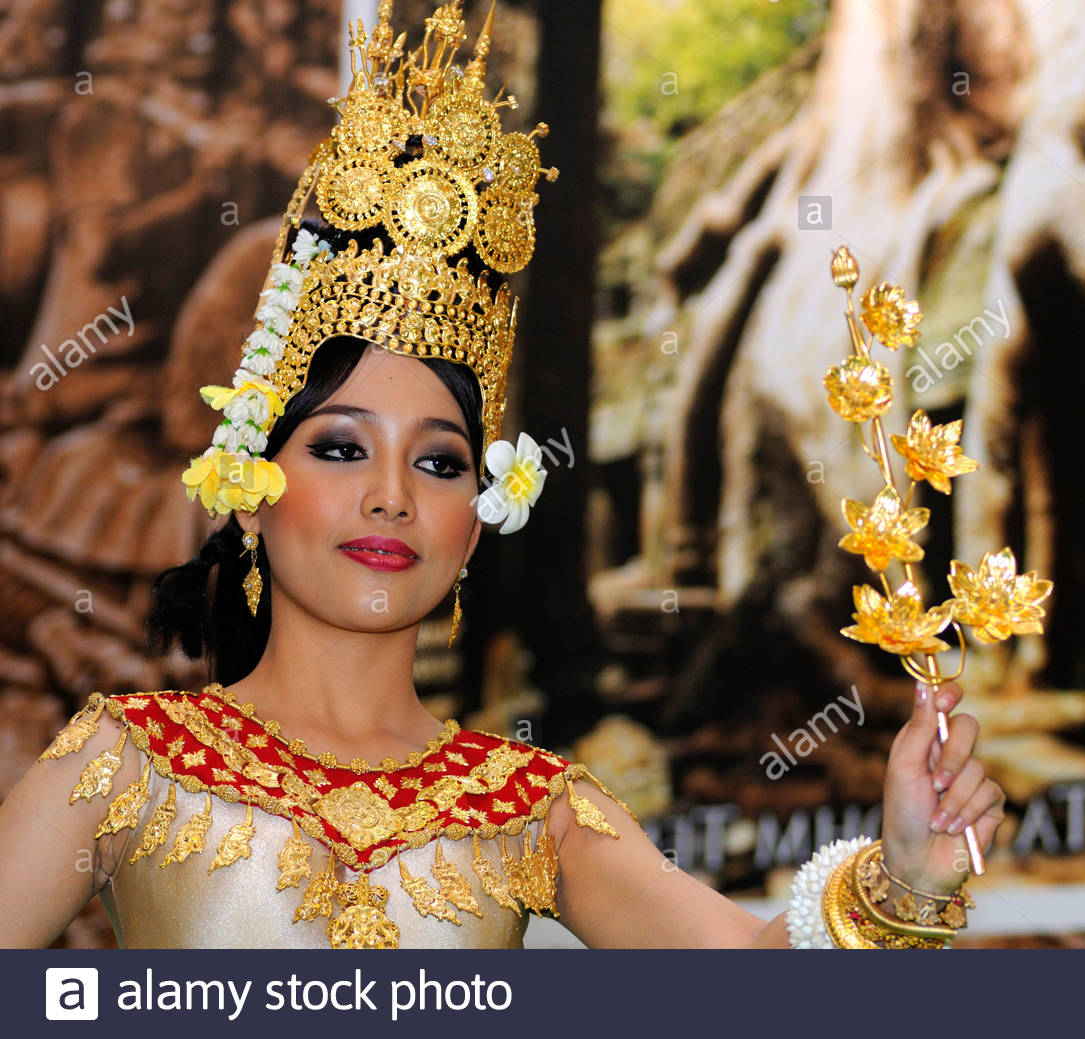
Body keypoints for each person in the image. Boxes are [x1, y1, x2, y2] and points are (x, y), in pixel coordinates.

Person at [0, 0, 1005, 950]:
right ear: (251, 490)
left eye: (438, 461)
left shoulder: (532, 806)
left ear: (476, 519)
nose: (391, 492)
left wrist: (907, 878)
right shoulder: (126, 760)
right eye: (342, 447)